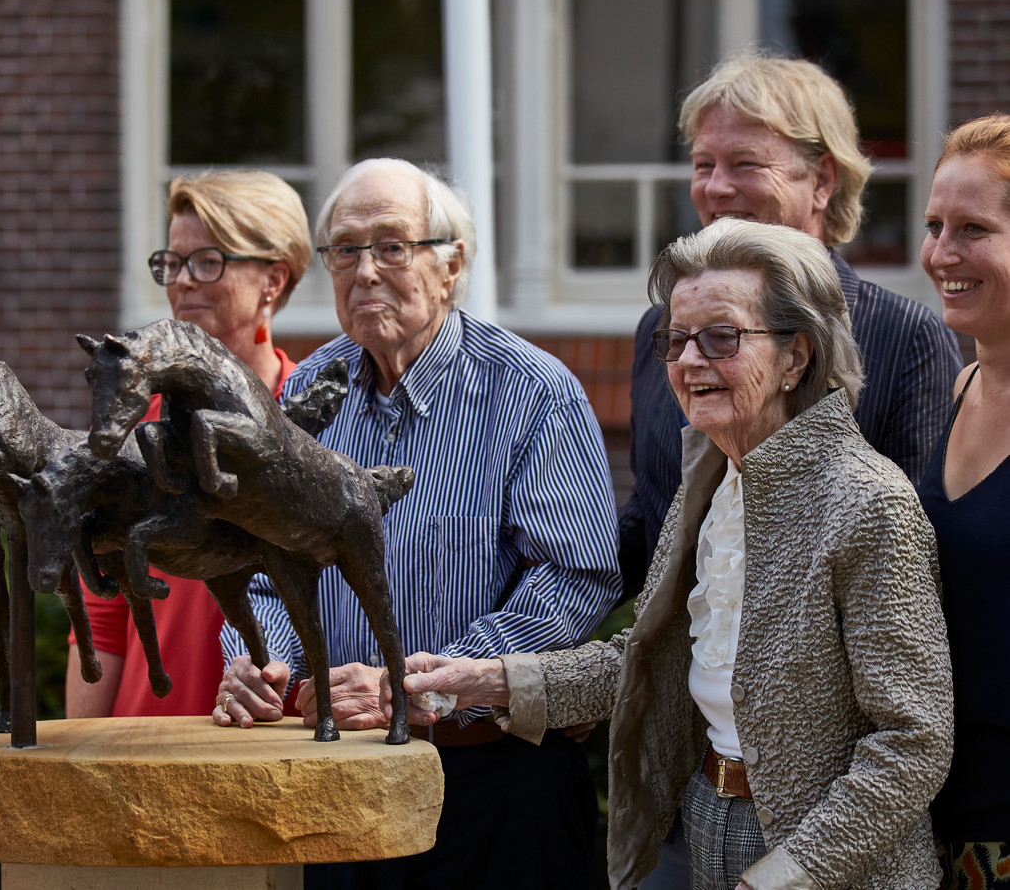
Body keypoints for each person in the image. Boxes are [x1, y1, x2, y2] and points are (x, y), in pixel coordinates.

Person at [394, 217, 954, 890]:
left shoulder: (868, 502)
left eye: (720, 337)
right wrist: (488, 681)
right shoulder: (712, 478)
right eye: (675, 339)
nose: (689, 361)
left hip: (820, 860)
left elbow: (914, 742)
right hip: (700, 822)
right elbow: (646, 660)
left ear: (795, 356)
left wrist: (787, 873)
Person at [212, 158, 623, 888]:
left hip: (492, 782)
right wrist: (259, 656)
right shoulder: (309, 390)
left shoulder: (533, 391)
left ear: (450, 265)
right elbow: (271, 564)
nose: (365, 270)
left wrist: (423, 687)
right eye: (345, 249)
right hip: (340, 780)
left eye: (392, 246)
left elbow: (572, 583)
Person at [620, 52, 961, 600]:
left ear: (822, 179)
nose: (716, 188)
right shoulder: (659, 333)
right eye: (703, 164)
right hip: (684, 673)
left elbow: (918, 560)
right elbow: (654, 512)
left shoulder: (907, 337)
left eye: (745, 164)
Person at [65, 168, 312, 718]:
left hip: (275, 747)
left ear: (273, 280)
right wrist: (75, 765)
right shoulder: (142, 425)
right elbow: (102, 616)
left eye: (207, 261)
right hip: (142, 747)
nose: (181, 282)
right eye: (173, 264)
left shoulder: (310, 426)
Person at [916, 113, 1010, 890]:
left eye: (972, 228)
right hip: (942, 812)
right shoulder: (962, 386)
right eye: (934, 225)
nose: (940, 254)